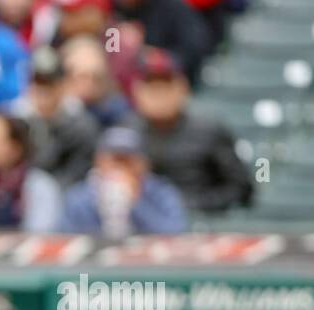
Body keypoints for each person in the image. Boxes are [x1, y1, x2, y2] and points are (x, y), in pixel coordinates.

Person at [128, 48, 252, 215]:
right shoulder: (125, 133)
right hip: (140, 223)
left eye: (165, 84)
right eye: (151, 85)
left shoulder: (209, 130)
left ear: (182, 88)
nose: (158, 94)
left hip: (201, 223)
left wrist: (197, 204)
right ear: (137, 91)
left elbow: (242, 189)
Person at [59, 125, 187, 235]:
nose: (120, 167)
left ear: (144, 163)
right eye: (114, 160)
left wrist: (135, 202)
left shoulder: (161, 191)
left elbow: (175, 232)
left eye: (127, 160)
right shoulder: (79, 196)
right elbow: (67, 236)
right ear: (98, 161)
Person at [14, 45, 98, 189]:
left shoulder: (80, 122)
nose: (43, 91)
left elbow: (80, 170)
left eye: (49, 84)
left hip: (66, 193)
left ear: (62, 85)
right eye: (38, 83)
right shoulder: (18, 120)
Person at [60, 35, 132, 129]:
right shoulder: (49, 112)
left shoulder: (117, 114)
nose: (89, 85)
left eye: (96, 78)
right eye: (82, 77)